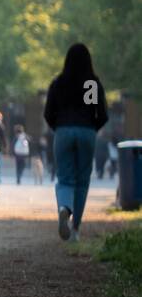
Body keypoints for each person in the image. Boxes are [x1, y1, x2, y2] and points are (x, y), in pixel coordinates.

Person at [43, 42, 109, 242]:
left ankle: (64, 207)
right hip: (86, 130)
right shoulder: (91, 84)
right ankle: (75, 229)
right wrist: (91, 128)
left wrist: (60, 127)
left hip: (63, 130)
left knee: (65, 178)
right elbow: (101, 113)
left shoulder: (59, 82)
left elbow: (48, 113)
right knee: (82, 181)